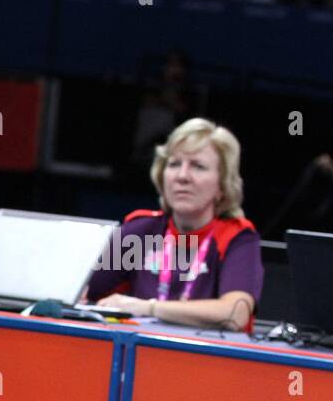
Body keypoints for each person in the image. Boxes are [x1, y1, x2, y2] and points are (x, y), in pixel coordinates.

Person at [87, 118, 263, 332]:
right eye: (174, 164)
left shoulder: (237, 237)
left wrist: (148, 307)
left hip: (206, 360)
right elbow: (84, 294)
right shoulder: (138, 232)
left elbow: (235, 314)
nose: (182, 176)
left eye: (198, 166)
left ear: (222, 186)